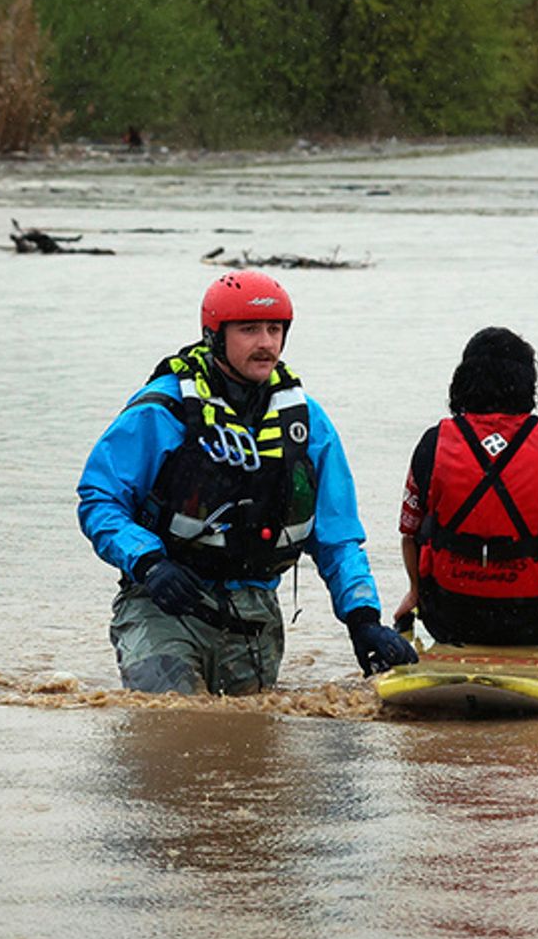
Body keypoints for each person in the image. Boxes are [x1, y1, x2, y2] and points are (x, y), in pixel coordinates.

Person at [78, 271, 416, 694]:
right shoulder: (162, 410)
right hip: (164, 603)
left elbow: (337, 537)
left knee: (247, 745)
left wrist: (362, 620)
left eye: (275, 330)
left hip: (254, 616)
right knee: (171, 723)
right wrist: (149, 563)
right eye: (250, 330)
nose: (266, 343)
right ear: (214, 336)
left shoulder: (307, 423)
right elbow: (99, 500)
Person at [391, 327, 538, 647]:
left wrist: (414, 593)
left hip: (450, 617)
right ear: (527, 382)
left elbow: (409, 534)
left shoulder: (432, 444)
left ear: (463, 379)